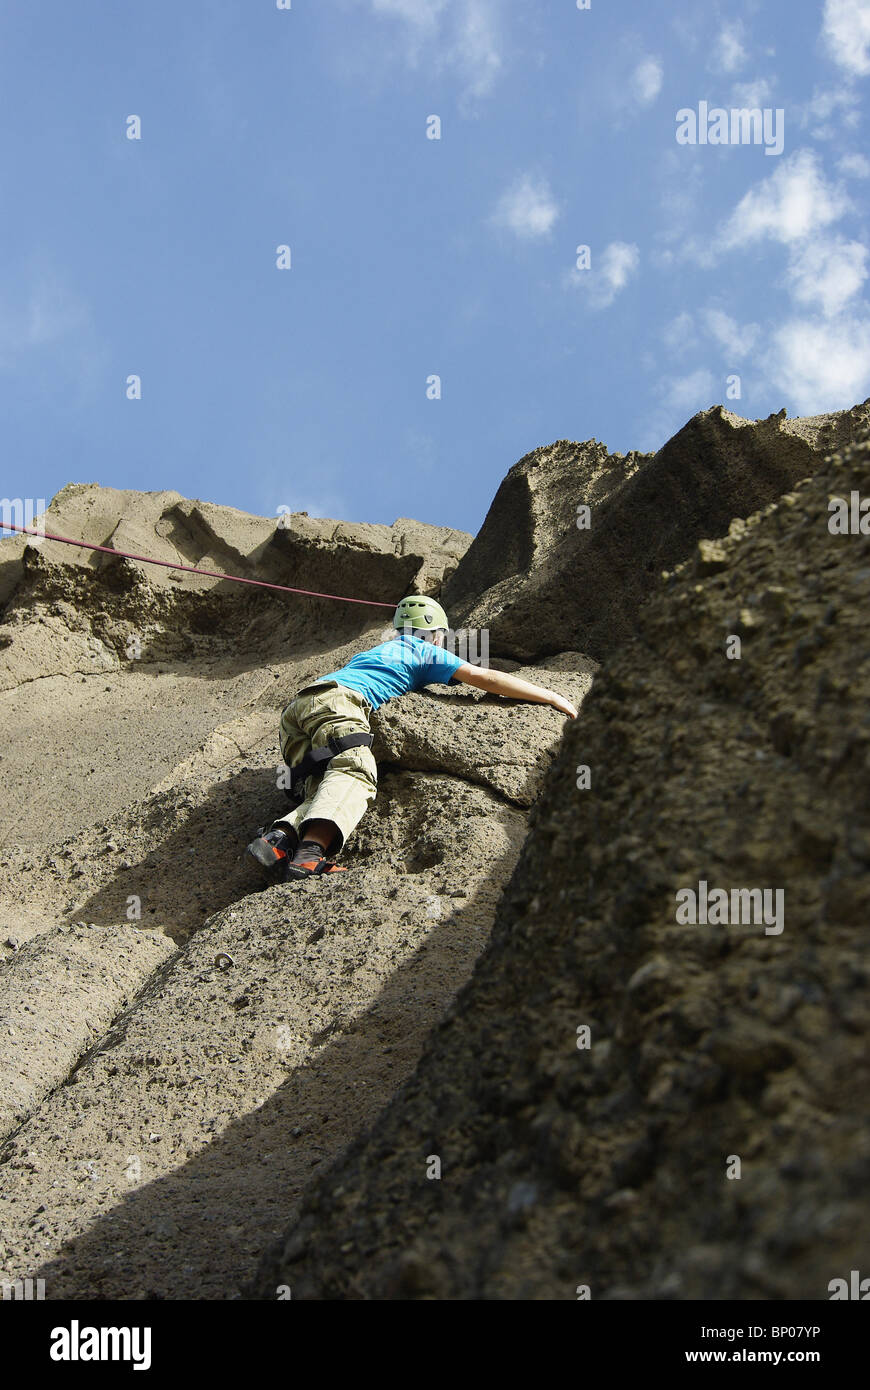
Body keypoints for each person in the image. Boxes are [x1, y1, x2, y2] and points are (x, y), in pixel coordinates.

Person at [247, 594, 578, 881]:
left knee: (324, 786)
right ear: (434, 634)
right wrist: (550, 696)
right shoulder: (422, 649)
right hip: (339, 702)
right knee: (356, 768)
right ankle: (309, 855)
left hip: (297, 712)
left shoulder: (379, 651)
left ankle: (279, 837)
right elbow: (482, 676)